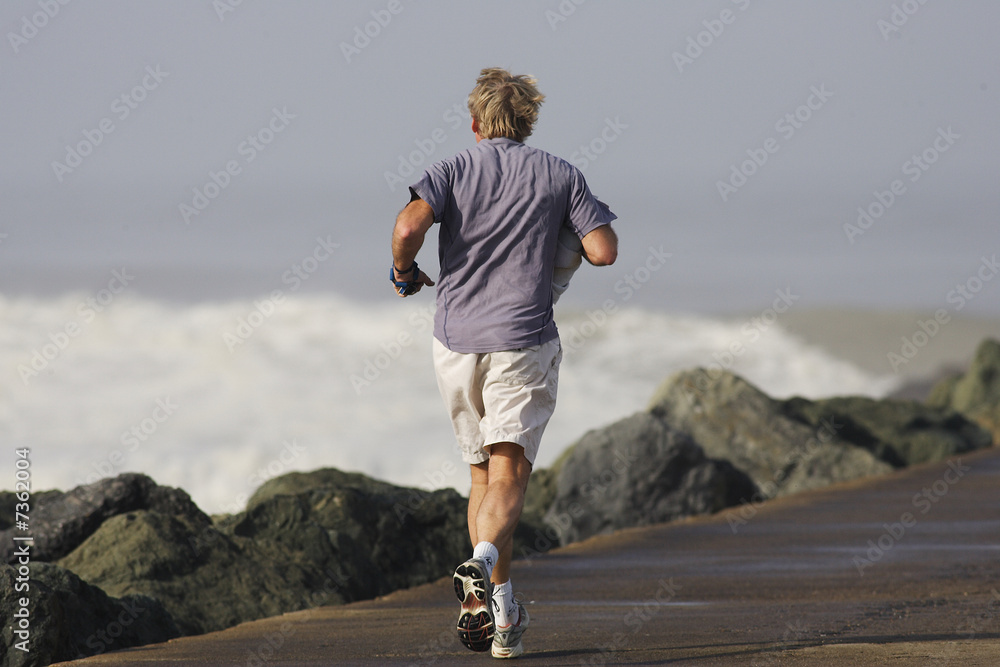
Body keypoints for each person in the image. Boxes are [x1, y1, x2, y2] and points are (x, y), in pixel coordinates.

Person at [389, 67, 618, 659]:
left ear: (474, 123)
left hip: (454, 342)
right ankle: (480, 561)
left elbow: (409, 224)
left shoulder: (451, 169)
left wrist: (404, 271)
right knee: (510, 474)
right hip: (521, 340)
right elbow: (603, 250)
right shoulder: (559, 172)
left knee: (482, 477)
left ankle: (502, 613)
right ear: (529, 122)